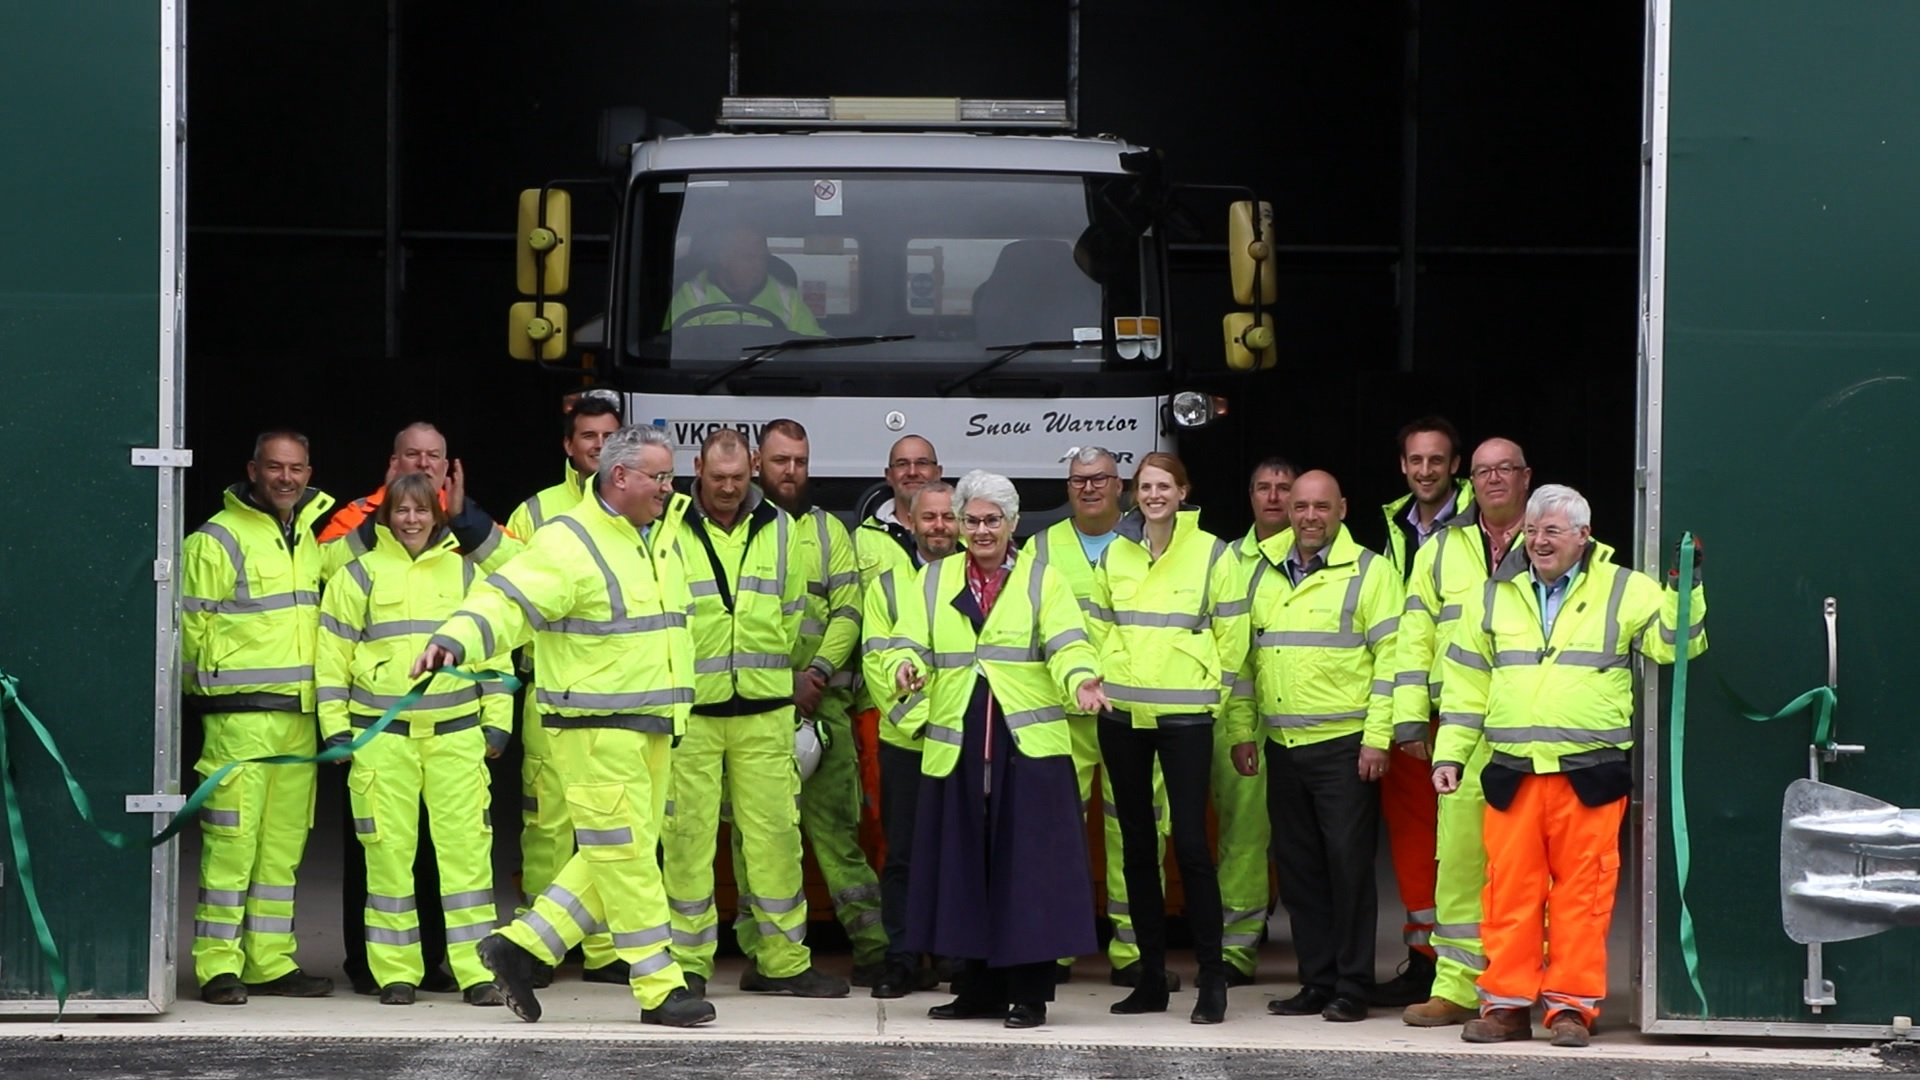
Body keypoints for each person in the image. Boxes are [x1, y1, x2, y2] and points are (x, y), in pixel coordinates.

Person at [410, 424, 714, 1028]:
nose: (669, 486)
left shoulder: (656, 534)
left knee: (609, 856)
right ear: (619, 476)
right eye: (658, 475)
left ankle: (519, 950)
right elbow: (506, 599)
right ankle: (659, 986)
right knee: (627, 859)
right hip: (597, 731)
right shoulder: (570, 541)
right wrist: (454, 639)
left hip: (652, 723)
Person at [1435, 485, 1706, 1047]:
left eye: (1552, 531)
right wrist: (1450, 754)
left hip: (1589, 773)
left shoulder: (1625, 588)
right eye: (1532, 530)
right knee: (1507, 894)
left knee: (1582, 898)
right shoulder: (1492, 595)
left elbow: (1677, 644)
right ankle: (1506, 1006)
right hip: (1513, 772)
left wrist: (1687, 589)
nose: (1539, 541)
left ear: (1584, 536)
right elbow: (1465, 686)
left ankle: (1571, 1010)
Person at [884, 470, 1110, 1029]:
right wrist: (904, 667)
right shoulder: (933, 581)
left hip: (1027, 750)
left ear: (1012, 525)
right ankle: (975, 988)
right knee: (963, 870)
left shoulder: (1042, 580)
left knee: (1027, 874)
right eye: (972, 520)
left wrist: (1082, 680)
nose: (982, 530)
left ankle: (1028, 995)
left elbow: (1068, 643)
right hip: (958, 746)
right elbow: (905, 641)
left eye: (992, 520)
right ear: (959, 524)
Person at [322, 421, 519, 996]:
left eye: (422, 511)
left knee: (465, 862)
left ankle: (475, 971)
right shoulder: (355, 572)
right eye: (401, 510)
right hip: (382, 740)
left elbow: (497, 652)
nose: (411, 519)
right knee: (388, 862)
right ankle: (396, 973)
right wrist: (336, 730)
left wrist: (498, 722)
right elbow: (330, 661)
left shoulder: (467, 570)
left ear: (439, 513)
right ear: (385, 511)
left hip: (456, 736)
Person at [661, 429, 847, 999]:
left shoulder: (785, 532)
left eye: (738, 479)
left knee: (774, 839)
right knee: (688, 838)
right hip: (693, 710)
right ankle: (687, 966)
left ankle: (782, 963)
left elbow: (795, 617)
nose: (727, 489)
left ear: (754, 472)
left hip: (766, 710)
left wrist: (780, 678)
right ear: (699, 469)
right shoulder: (667, 528)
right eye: (717, 479)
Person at [1229, 470, 1402, 1023]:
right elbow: (1242, 662)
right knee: (1300, 871)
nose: (1308, 515)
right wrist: (1239, 731)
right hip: (1281, 742)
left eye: (1320, 506)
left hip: (1345, 747)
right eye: (1300, 505)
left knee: (1349, 871)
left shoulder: (1371, 572)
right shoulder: (1257, 570)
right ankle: (1317, 980)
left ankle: (1352, 984)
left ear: (1342, 508)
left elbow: (1391, 665)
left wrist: (1378, 739)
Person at [1087, 452, 1248, 1024]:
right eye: (1145, 486)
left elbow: (1233, 636)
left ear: (1184, 491)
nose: (1154, 494)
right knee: (1135, 848)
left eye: (1164, 485)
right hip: (1122, 716)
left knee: (1191, 849)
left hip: (1185, 720)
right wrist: (1104, 678)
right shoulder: (1115, 551)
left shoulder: (1213, 553)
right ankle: (1151, 978)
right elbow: (1099, 624)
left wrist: (1213, 696)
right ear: (1134, 493)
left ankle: (1212, 981)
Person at [726, 419, 888, 985]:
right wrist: (781, 685)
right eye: (779, 461)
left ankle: (872, 947)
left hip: (826, 710)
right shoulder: (737, 532)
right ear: (755, 464)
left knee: (837, 836)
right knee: (757, 839)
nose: (790, 471)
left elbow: (848, 610)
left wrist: (817, 672)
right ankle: (762, 953)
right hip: (758, 714)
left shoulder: (830, 533)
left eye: (799, 460)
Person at [181, 430, 337, 1005]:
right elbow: (189, 634)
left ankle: (270, 962)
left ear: (308, 471)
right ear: (253, 469)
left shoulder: (311, 539)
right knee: (231, 846)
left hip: (298, 720)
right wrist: (205, 694)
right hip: (238, 722)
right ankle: (217, 966)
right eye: (275, 467)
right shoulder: (216, 540)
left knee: (281, 850)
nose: (286, 478)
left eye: (296, 468)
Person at [1393, 438, 1532, 1028]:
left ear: (1527, 477)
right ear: (1467, 480)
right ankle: (1455, 987)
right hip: (1462, 726)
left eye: (1505, 470)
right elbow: (1413, 636)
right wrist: (1406, 715)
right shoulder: (1441, 549)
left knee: (1527, 865)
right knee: (1457, 860)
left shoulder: (1554, 536)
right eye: (1483, 472)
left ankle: (1526, 985)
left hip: (1533, 723)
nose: (1493, 480)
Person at [1025, 447, 1173, 990]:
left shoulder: (1149, 542)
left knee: (1136, 833)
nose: (1089, 488)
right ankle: (1054, 946)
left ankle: (1134, 951)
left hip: (1133, 709)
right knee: (1055, 835)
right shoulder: (1039, 548)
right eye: (1078, 480)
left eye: (1101, 479)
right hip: (1062, 713)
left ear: (1121, 486)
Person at [504, 391, 626, 987]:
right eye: (588, 438)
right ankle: (543, 948)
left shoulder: (643, 507)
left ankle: (604, 950)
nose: (598, 447)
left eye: (608, 436)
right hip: (550, 693)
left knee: (606, 823)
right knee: (547, 823)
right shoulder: (535, 513)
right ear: (568, 446)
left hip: (619, 696)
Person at [1373, 415, 1472, 1007]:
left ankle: (1483, 967)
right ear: (1404, 466)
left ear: (1454, 465)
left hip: (1466, 707)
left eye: (1437, 460)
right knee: (1413, 840)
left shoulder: (1481, 524)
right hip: (1411, 705)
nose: (1426, 470)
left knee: (1468, 842)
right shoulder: (1392, 525)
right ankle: (1424, 959)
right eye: (1416, 460)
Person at [864, 480, 959, 999]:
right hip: (907, 742)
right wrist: (922, 719)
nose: (940, 527)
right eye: (930, 518)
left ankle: (954, 953)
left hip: (962, 743)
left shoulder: (983, 579)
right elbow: (879, 665)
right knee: (902, 856)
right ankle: (902, 957)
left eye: (949, 517)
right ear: (912, 522)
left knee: (959, 854)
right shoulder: (887, 588)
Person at [1217, 457, 1297, 986]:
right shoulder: (1226, 559)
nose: (1273, 498)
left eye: (1283, 489)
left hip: (1294, 714)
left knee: (1293, 837)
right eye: (1263, 488)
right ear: (1249, 496)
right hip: (1230, 714)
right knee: (1239, 833)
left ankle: (1299, 942)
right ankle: (1236, 950)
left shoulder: (1320, 558)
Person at [665, 223, 825, 336]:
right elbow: (675, 345)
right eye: (749, 258)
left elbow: (814, 344)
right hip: (709, 376)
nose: (759, 266)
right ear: (724, 259)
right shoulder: (692, 293)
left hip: (774, 377)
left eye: (763, 258)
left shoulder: (787, 296)